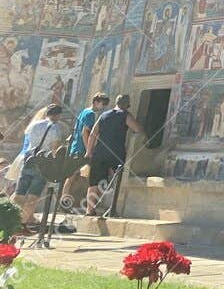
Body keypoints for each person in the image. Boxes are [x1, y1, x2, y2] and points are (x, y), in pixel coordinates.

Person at [85, 94, 141, 217]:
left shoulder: (103, 115)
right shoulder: (125, 115)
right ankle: (112, 208)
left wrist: (89, 152)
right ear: (127, 105)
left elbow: (93, 134)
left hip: (99, 153)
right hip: (116, 153)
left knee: (93, 182)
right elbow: (137, 129)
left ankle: (90, 210)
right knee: (117, 179)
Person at [14, 104, 68, 229]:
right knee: (33, 196)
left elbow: (28, 140)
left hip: (28, 160)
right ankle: (22, 225)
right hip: (42, 164)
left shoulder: (34, 125)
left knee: (19, 194)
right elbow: (55, 150)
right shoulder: (55, 129)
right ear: (58, 115)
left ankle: (12, 221)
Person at [62, 92, 109, 220]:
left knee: (71, 177)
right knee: (80, 176)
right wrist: (89, 150)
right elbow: (85, 132)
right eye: (102, 103)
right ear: (96, 101)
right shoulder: (91, 114)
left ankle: (65, 201)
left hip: (75, 148)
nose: (103, 106)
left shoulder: (84, 111)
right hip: (81, 149)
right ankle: (67, 202)